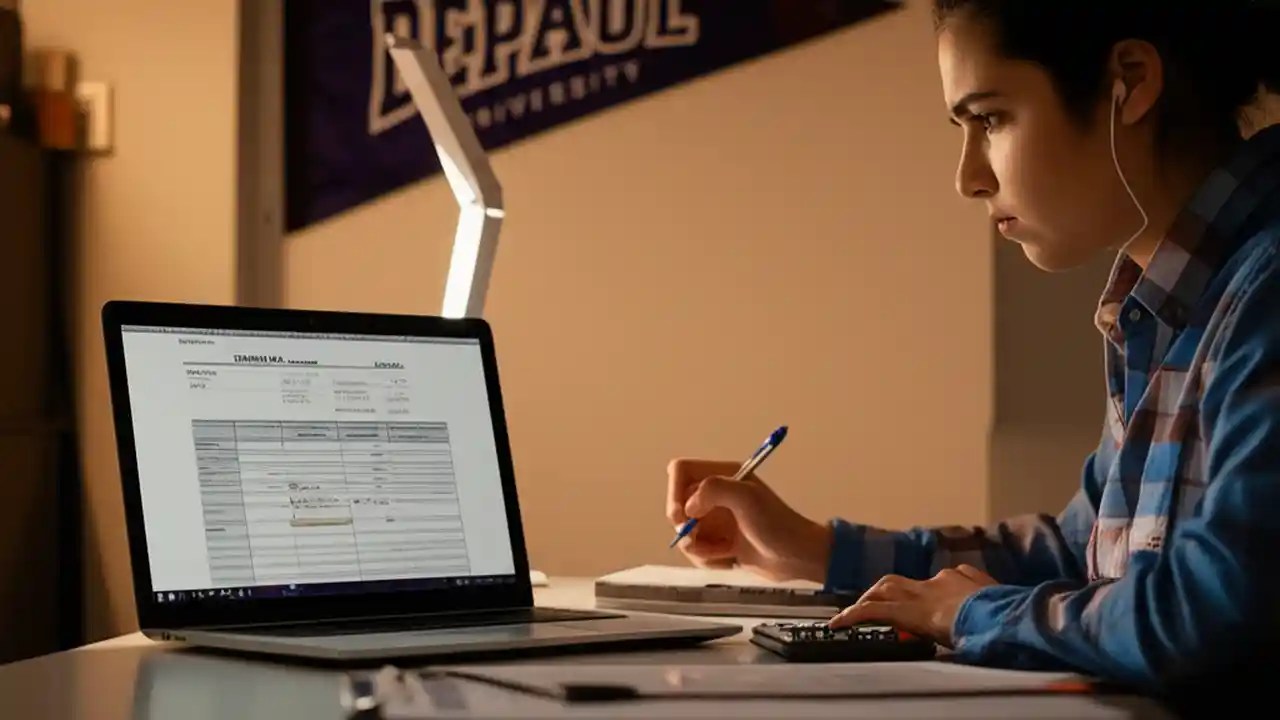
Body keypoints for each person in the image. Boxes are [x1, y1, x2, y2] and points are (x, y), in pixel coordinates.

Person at [666, 0, 1280, 702]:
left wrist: (970, 614)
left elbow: (1216, 617)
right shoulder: (1172, 300)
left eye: (990, 119)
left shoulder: (1264, 289)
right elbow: (1079, 555)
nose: (968, 178)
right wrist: (814, 548)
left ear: (1131, 82)